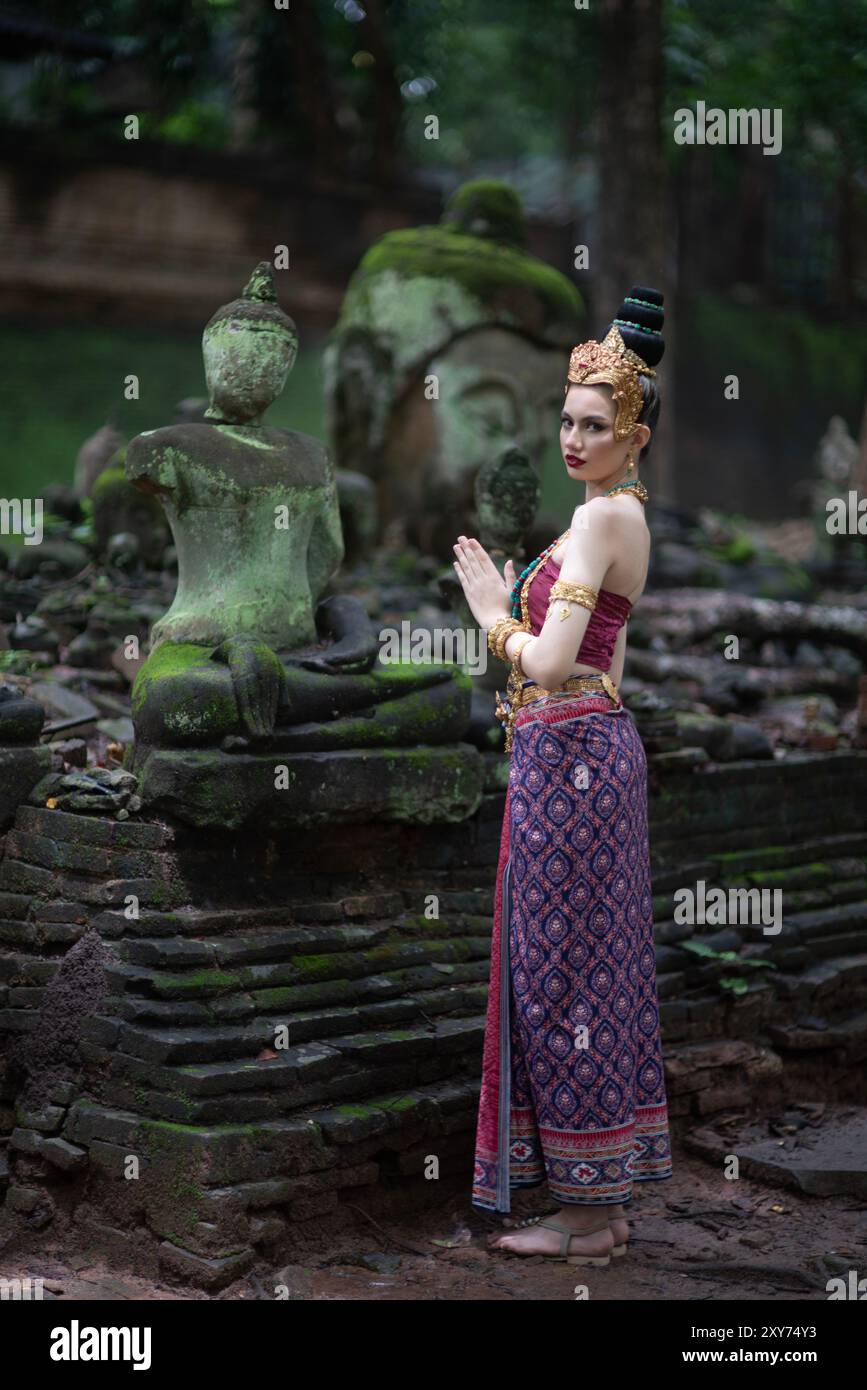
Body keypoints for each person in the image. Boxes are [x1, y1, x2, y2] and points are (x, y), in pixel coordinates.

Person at [452, 286, 673, 1267]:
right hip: (591, 755)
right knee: (591, 969)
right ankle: (602, 1203)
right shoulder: (621, 518)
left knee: (564, 978)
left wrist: (494, 611)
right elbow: (608, 664)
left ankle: (585, 1219)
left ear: (634, 438)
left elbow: (546, 662)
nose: (574, 438)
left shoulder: (594, 528)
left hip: (572, 767)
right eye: (568, 420)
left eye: (598, 424)